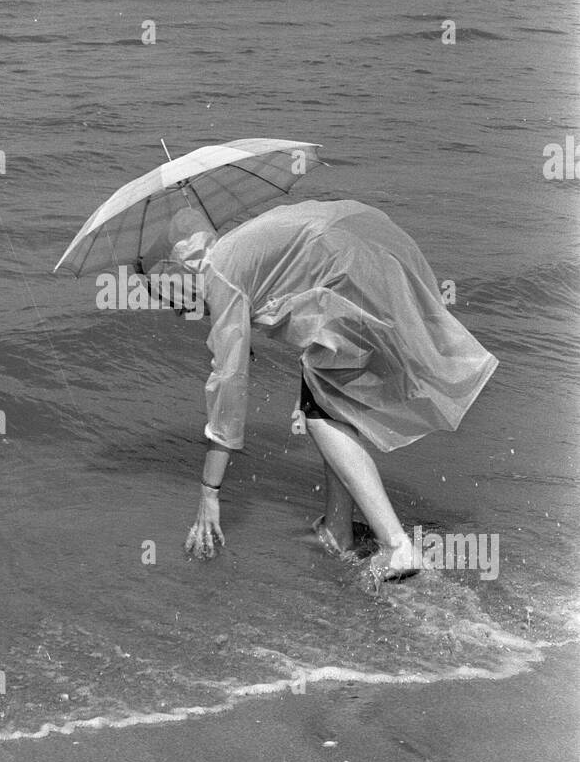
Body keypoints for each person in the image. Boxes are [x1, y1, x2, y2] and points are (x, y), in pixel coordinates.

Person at [139, 199, 498, 583]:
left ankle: (396, 546)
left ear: (180, 272)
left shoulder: (219, 275)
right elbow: (281, 279)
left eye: (169, 296)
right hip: (371, 252)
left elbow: (229, 385)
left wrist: (209, 492)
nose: (178, 311)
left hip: (353, 277)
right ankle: (337, 530)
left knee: (318, 414)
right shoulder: (231, 252)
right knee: (327, 396)